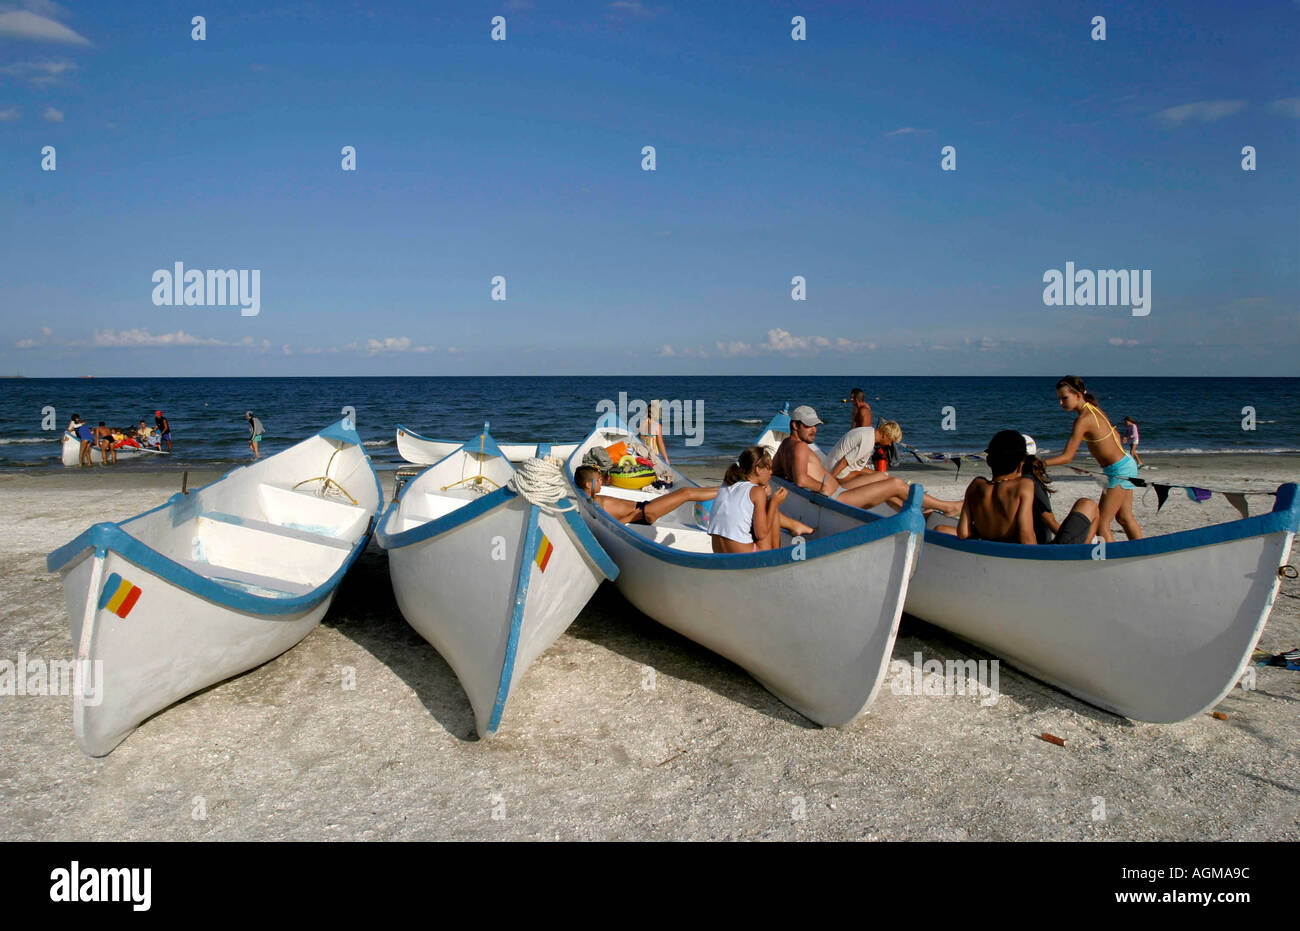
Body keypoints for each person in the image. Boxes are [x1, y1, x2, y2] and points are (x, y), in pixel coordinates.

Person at [774, 405, 960, 516]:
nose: (814, 430)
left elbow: (776, 472)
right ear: (795, 425)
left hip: (838, 491)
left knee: (884, 480)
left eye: (815, 426)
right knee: (894, 484)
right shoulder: (799, 447)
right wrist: (823, 488)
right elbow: (801, 479)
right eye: (808, 426)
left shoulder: (785, 446)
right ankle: (947, 506)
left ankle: (912, 510)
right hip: (839, 497)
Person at [1042, 376, 1142, 542]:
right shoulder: (1094, 409)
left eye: (1064, 398)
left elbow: (1067, 457)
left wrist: (1040, 463)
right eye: (1059, 398)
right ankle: (1141, 551)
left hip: (1119, 470)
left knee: (1102, 524)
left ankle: (1111, 559)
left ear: (1078, 395)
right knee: (1124, 517)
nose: (1060, 403)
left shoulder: (1083, 420)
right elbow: (1114, 435)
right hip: (1124, 464)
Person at [958, 431, 1097, 544]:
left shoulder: (976, 485)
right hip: (1035, 559)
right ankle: (1080, 559)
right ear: (1021, 465)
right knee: (1088, 505)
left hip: (995, 553)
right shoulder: (1023, 486)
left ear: (988, 461)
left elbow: (963, 533)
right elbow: (1026, 537)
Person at [708, 446, 809, 553]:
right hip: (744, 556)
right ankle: (776, 556)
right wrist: (774, 502)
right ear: (758, 469)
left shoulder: (727, 483)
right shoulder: (757, 492)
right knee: (770, 509)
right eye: (769, 468)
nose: (771, 472)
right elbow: (762, 533)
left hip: (719, 552)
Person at [574, 464, 717, 525]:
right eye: (598, 480)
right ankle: (729, 488)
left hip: (643, 508)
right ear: (588, 485)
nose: (601, 481)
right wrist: (631, 517)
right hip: (643, 513)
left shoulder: (592, 497)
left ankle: (727, 488)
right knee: (686, 493)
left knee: (686, 492)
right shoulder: (594, 503)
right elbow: (606, 525)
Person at [1021, 435, 1098, 545]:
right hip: (1040, 549)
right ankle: (1083, 551)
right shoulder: (1030, 482)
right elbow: (1050, 522)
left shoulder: (1004, 483)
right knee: (1089, 505)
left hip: (1016, 546)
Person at [639, 399, 670, 466]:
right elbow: (660, 443)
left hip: (642, 454)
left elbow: (639, 439)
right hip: (653, 456)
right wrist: (666, 458)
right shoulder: (657, 426)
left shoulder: (641, 424)